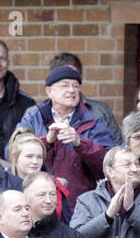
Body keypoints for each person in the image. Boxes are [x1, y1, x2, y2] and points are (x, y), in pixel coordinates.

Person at [15, 64, 113, 208]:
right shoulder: (33, 116)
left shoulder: (93, 121)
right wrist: (46, 141)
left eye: (75, 86)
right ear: (49, 91)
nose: (71, 90)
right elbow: (12, 152)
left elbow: (108, 165)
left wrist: (80, 143)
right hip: (34, 203)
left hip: (77, 205)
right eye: (65, 86)